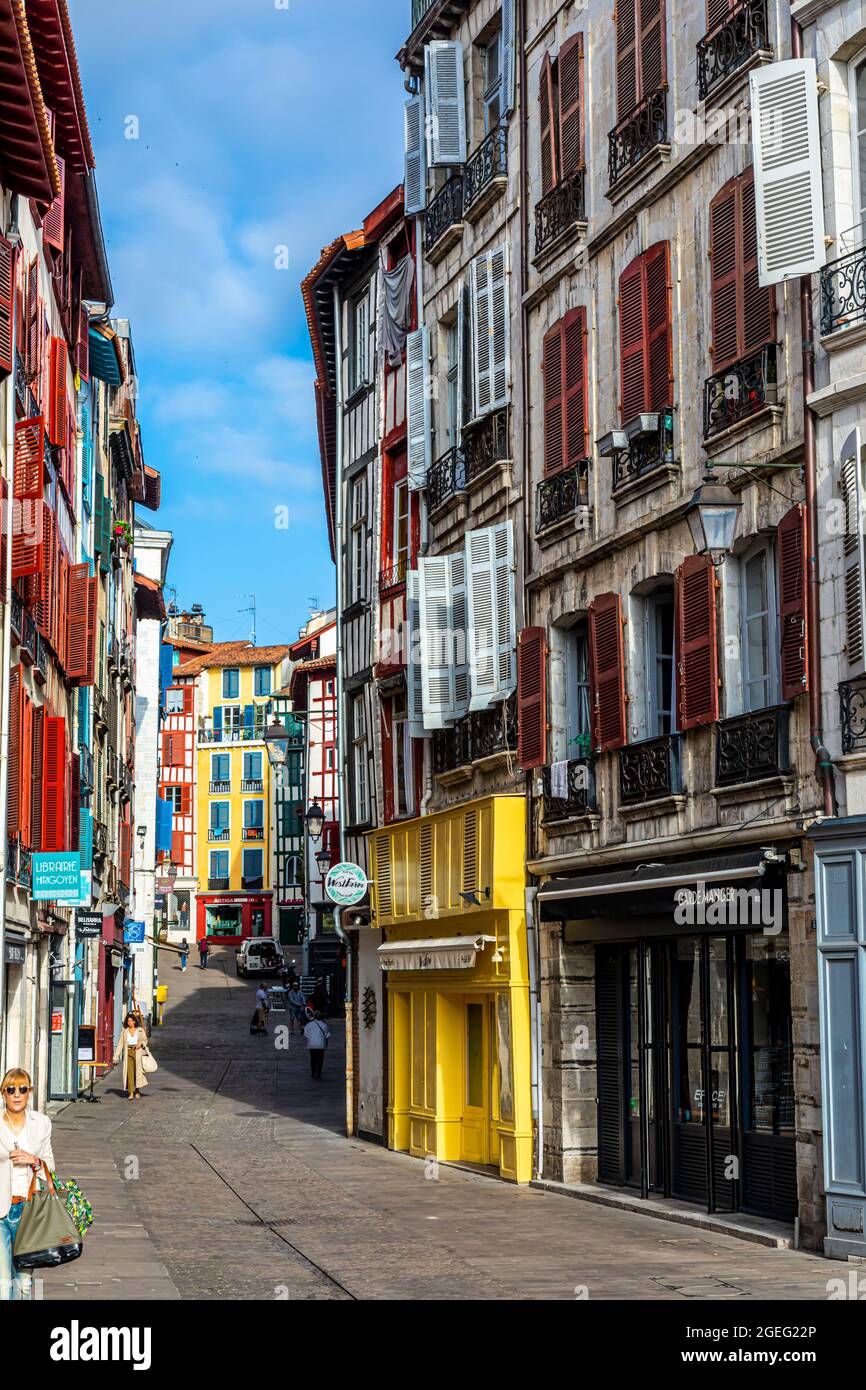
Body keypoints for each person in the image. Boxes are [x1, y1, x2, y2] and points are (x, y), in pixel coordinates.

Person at [0, 1068, 55, 1301]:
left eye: (22, 1089)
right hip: (0, 1211)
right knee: (3, 1285)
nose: (17, 1094)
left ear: (30, 1092)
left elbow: (50, 1169)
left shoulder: (41, 1123)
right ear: (3, 1094)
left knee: (23, 1283)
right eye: (11, 1089)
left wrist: (34, 1160)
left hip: (28, 1212)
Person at [114, 1011, 149, 1100]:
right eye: (128, 1021)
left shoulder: (140, 1030)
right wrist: (115, 1057)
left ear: (134, 1021)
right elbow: (120, 1044)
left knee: (137, 1072)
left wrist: (140, 1044)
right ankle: (131, 1092)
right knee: (129, 1072)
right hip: (128, 1052)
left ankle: (137, 1090)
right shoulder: (124, 1032)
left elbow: (145, 1040)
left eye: (131, 1021)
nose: (130, 1023)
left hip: (138, 1053)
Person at [304, 1011, 330, 1079]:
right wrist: (326, 1043)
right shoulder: (324, 1025)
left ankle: (313, 1072)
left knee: (313, 1059)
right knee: (320, 1060)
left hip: (312, 1044)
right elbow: (327, 1035)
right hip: (321, 1044)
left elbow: (306, 1034)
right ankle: (318, 1073)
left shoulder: (309, 1024)